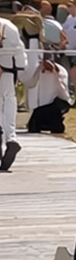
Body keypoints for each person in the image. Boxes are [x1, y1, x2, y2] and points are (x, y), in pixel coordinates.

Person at [0, 13, 28, 171]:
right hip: (9, 68)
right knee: (9, 100)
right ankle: (11, 137)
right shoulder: (9, 26)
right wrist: (19, 67)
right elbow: (19, 49)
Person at [25, 55, 70, 133]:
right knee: (34, 126)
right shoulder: (38, 69)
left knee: (56, 127)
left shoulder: (61, 71)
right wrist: (38, 68)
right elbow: (30, 83)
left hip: (55, 106)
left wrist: (56, 75)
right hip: (40, 107)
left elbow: (65, 96)